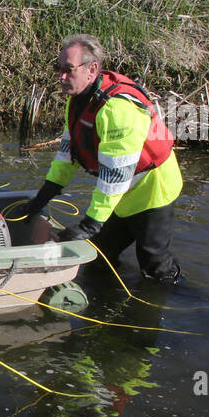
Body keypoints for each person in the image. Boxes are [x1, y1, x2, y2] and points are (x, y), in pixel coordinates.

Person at [21, 34, 183, 283]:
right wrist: (44, 194)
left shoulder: (118, 111)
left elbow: (115, 176)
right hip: (123, 193)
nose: (60, 77)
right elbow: (68, 153)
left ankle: (176, 303)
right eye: (58, 68)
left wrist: (89, 225)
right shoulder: (78, 101)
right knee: (99, 255)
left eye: (68, 70)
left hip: (152, 189)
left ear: (92, 69)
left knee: (154, 266)